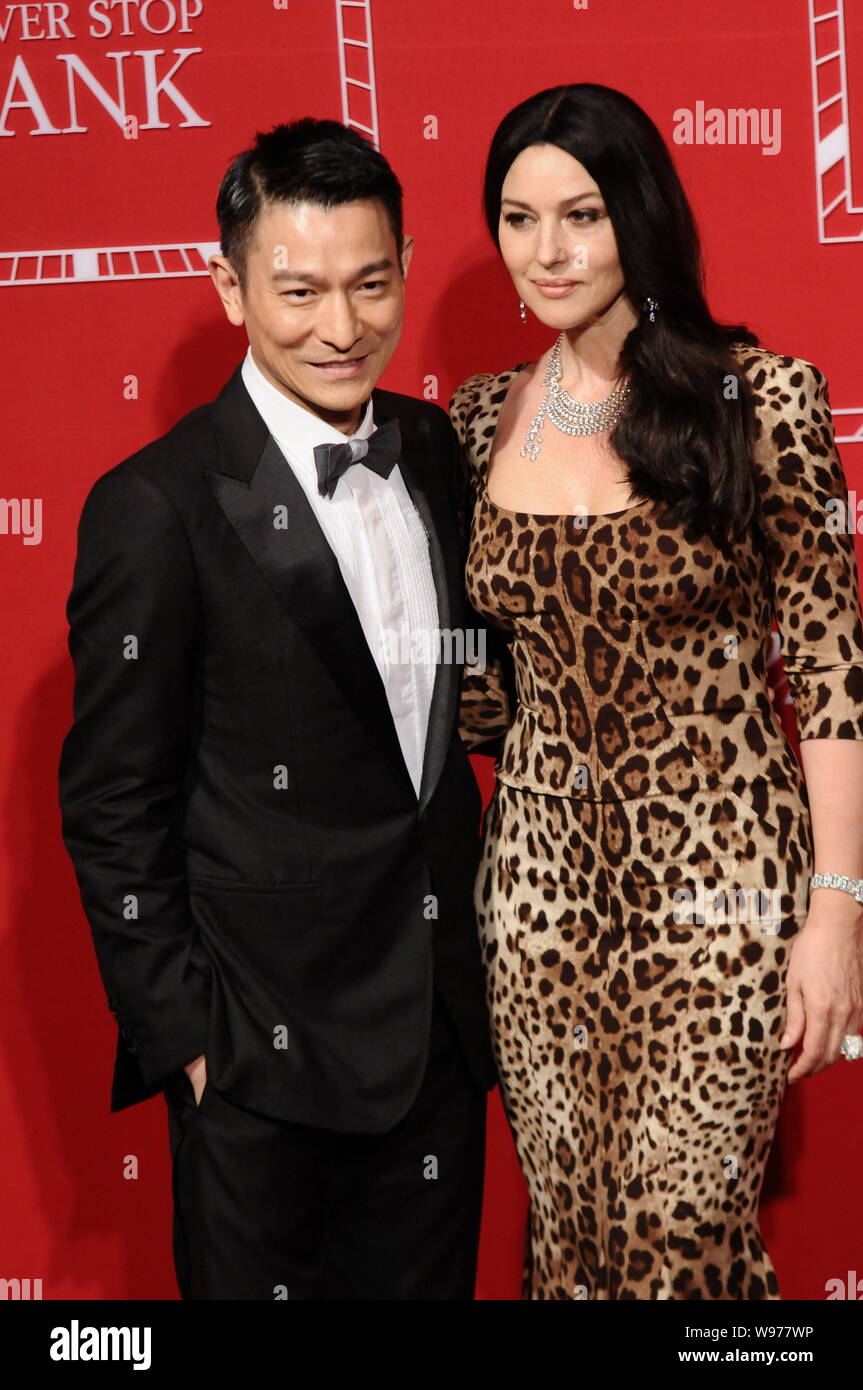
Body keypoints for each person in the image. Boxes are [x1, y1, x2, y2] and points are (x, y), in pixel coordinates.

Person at [58, 117, 497, 1301]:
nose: (340, 326)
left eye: (370, 282)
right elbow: (111, 803)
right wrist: (196, 1048)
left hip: (438, 1050)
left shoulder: (432, 448)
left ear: (404, 263)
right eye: (298, 290)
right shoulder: (155, 506)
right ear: (231, 284)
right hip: (262, 1064)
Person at [449, 82, 863, 1301]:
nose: (548, 250)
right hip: (534, 906)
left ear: (637, 212)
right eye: (517, 219)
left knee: (682, 1246)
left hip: (721, 895)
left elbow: (833, 673)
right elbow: (482, 688)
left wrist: (834, 909)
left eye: (579, 213)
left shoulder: (758, 396)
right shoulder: (480, 419)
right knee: (570, 1248)